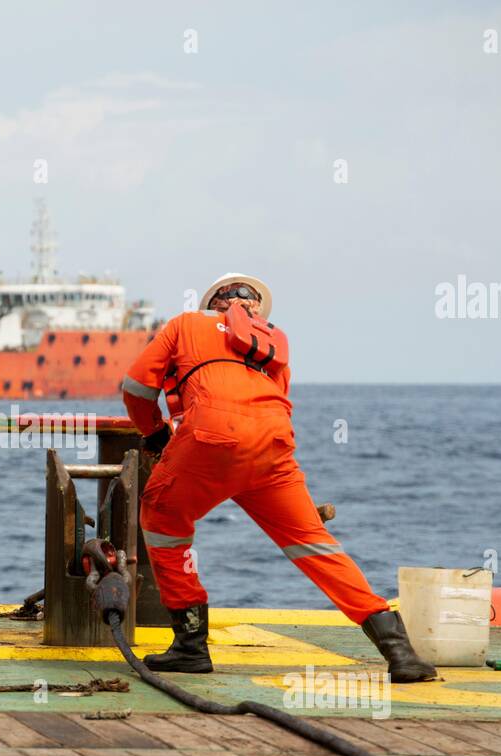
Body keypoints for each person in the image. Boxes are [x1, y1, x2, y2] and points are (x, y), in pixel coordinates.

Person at [121, 272, 436, 682]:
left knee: (162, 520)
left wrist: (156, 433)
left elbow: (136, 387)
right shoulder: (270, 347)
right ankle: (400, 653)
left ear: (212, 302)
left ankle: (190, 645)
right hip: (273, 447)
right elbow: (278, 408)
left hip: (210, 437)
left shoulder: (186, 324)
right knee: (314, 545)